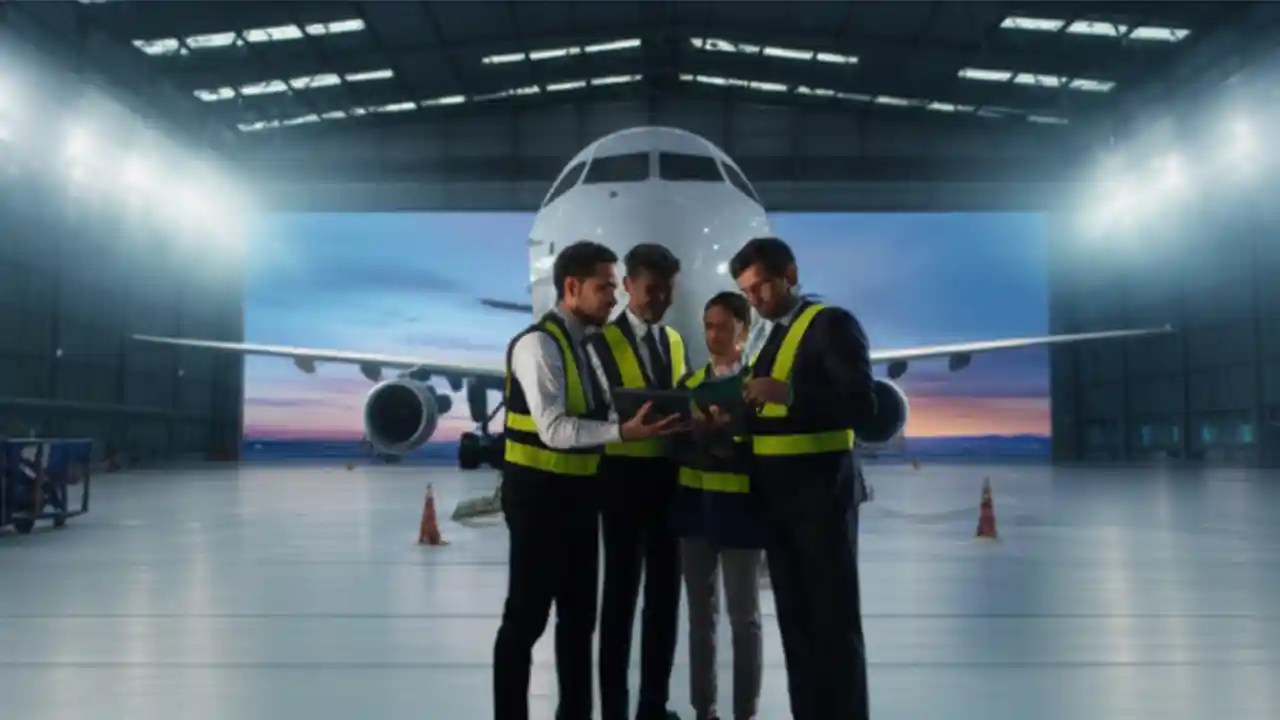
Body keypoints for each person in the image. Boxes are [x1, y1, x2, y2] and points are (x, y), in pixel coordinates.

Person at [493, 240, 685, 720]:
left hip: (580, 498)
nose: (613, 299)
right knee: (526, 621)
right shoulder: (538, 345)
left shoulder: (586, 347)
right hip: (538, 499)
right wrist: (625, 432)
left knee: (579, 622)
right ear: (572, 287)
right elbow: (555, 429)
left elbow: (595, 412)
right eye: (604, 288)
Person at [729, 236, 879, 720]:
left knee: (833, 627)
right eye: (746, 293)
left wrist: (789, 392)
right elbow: (766, 416)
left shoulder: (832, 325)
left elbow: (862, 405)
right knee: (795, 627)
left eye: (760, 288)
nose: (753, 300)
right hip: (778, 505)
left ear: (790, 275)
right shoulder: (767, 336)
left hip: (821, 501)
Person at [583, 243, 688, 720]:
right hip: (621, 478)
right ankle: (615, 710)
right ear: (628, 287)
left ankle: (653, 705)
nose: (660, 299)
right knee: (621, 600)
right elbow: (593, 412)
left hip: (668, 478)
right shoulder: (598, 342)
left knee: (665, 600)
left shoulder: (676, 341)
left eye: (667, 291)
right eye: (651, 291)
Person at [673, 291, 765, 720]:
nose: (713, 335)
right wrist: (703, 436)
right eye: (708, 326)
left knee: (744, 620)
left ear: (743, 330)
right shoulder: (689, 387)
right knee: (700, 618)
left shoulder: (754, 387)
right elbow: (672, 447)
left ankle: (745, 712)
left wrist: (723, 439)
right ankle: (703, 710)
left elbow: (764, 450)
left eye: (723, 326)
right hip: (696, 512)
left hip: (742, 514)